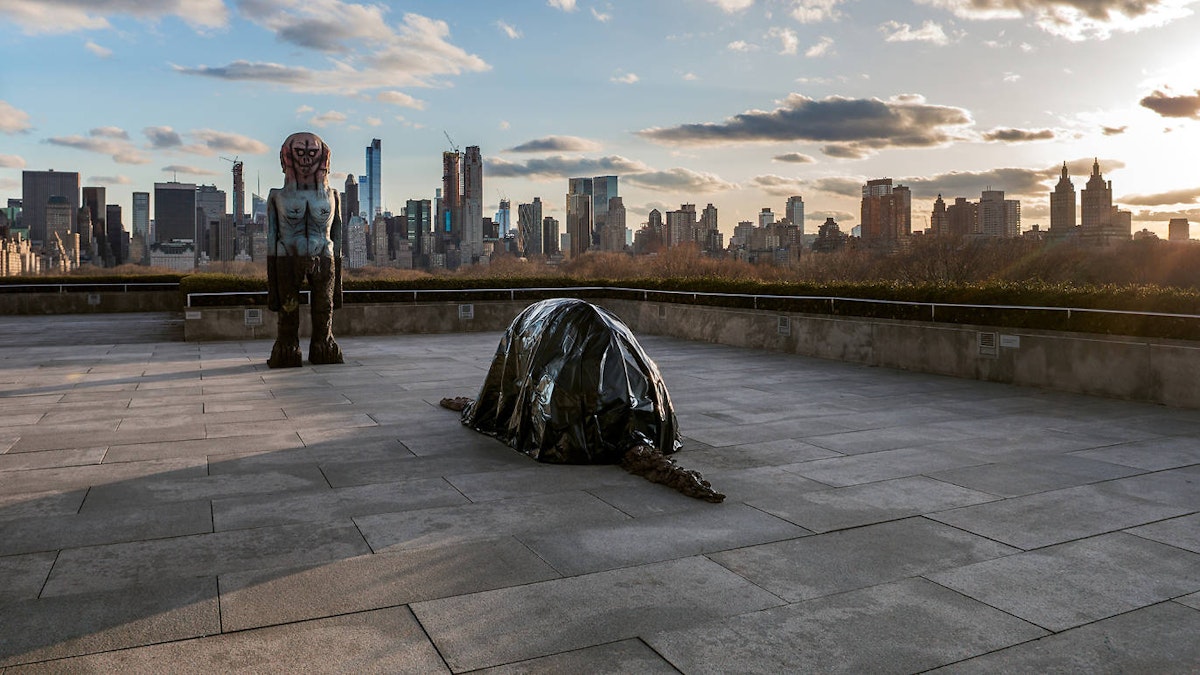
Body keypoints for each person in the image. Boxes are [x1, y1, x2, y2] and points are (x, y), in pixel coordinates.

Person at [265, 132, 344, 367]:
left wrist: (338, 283)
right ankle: (287, 349)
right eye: (300, 152)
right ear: (289, 155)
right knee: (288, 310)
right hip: (286, 257)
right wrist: (273, 290)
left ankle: (325, 347)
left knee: (324, 309)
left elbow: (337, 236)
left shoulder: (332, 196)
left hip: (325, 256)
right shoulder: (277, 196)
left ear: (322, 156)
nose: (307, 159)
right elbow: (271, 238)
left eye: (312, 153)